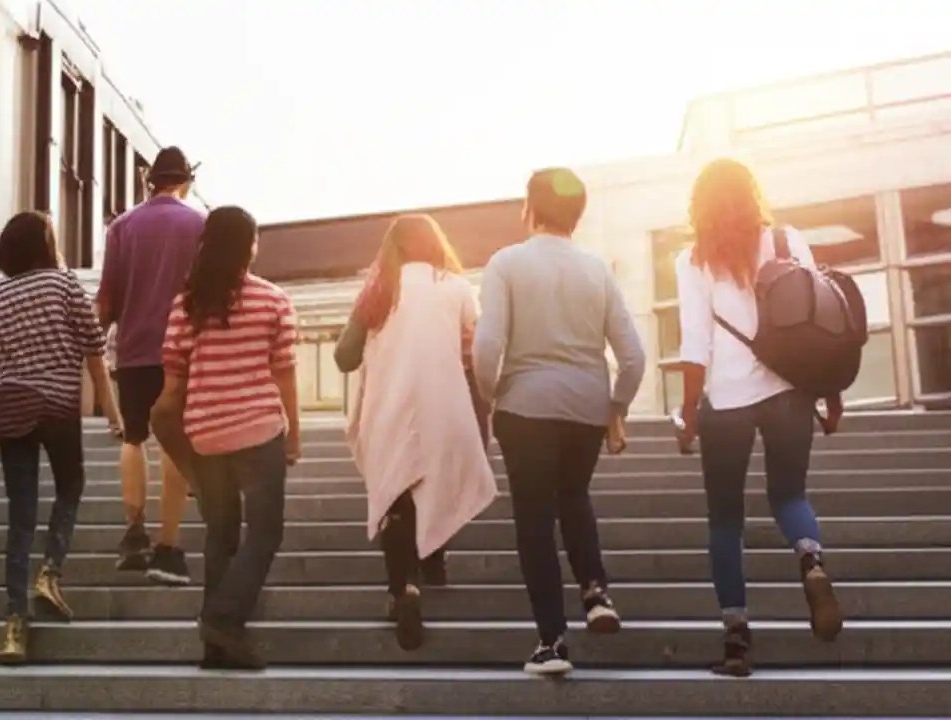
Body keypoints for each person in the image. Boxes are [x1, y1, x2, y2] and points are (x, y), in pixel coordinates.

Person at [674, 158, 844, 677]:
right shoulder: (789, 241)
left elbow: (694, 342)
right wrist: (831, 394)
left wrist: (688, 414)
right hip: (790, 393)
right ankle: (811, 560)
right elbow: (823, 321)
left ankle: (736, 640)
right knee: (789, 495)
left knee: (726, 520)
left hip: (726, 402)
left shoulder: (693, 260)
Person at [473, 167, 646, 675]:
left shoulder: (506, 263)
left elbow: (487, 346)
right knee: (573, 495)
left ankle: (552, 642)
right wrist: (615, 407)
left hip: (525, 406)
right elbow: (633, 358)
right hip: (587, 409)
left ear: (529, 208)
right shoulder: (598, 270)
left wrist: (494, 393)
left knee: (533, 521)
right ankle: (596, 593)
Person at [0, 211, 109, 665]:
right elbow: (96, 352)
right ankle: (50, 572)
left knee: (21, 516)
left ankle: (14, 627)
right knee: (71, 485)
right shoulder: (64, 283)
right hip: (57, 408)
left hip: (11, 409)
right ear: (45, 244)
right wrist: (113, 415)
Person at [335, 214, 497, 652]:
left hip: (388, 406)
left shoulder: (378, 289)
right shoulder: (458, 287)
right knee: (437, 478)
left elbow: (344, 358)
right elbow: (477, 349)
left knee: (396, 491)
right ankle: (434, 561)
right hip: (444, 402)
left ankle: (402, 588)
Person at [151, 206, 300, 670]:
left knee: (220, 533)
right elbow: (285, 374)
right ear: (250, 245)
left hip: (205, 433)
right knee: (266, 532)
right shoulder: (272, 300)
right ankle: (221, 618)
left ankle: (217, 648)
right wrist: (292, 433)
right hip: (258, 430)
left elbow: (171, 389)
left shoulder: (186, 305)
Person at [97, 146, 204, 585]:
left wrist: (95, 342)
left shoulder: (122, 227)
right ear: (186, 180)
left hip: (135, 349)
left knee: (134, 436)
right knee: (174, 439)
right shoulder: (201, 224)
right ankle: (168, 546)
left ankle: (134, 533)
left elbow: (107, 297)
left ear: (150, 180)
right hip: (184, 350)